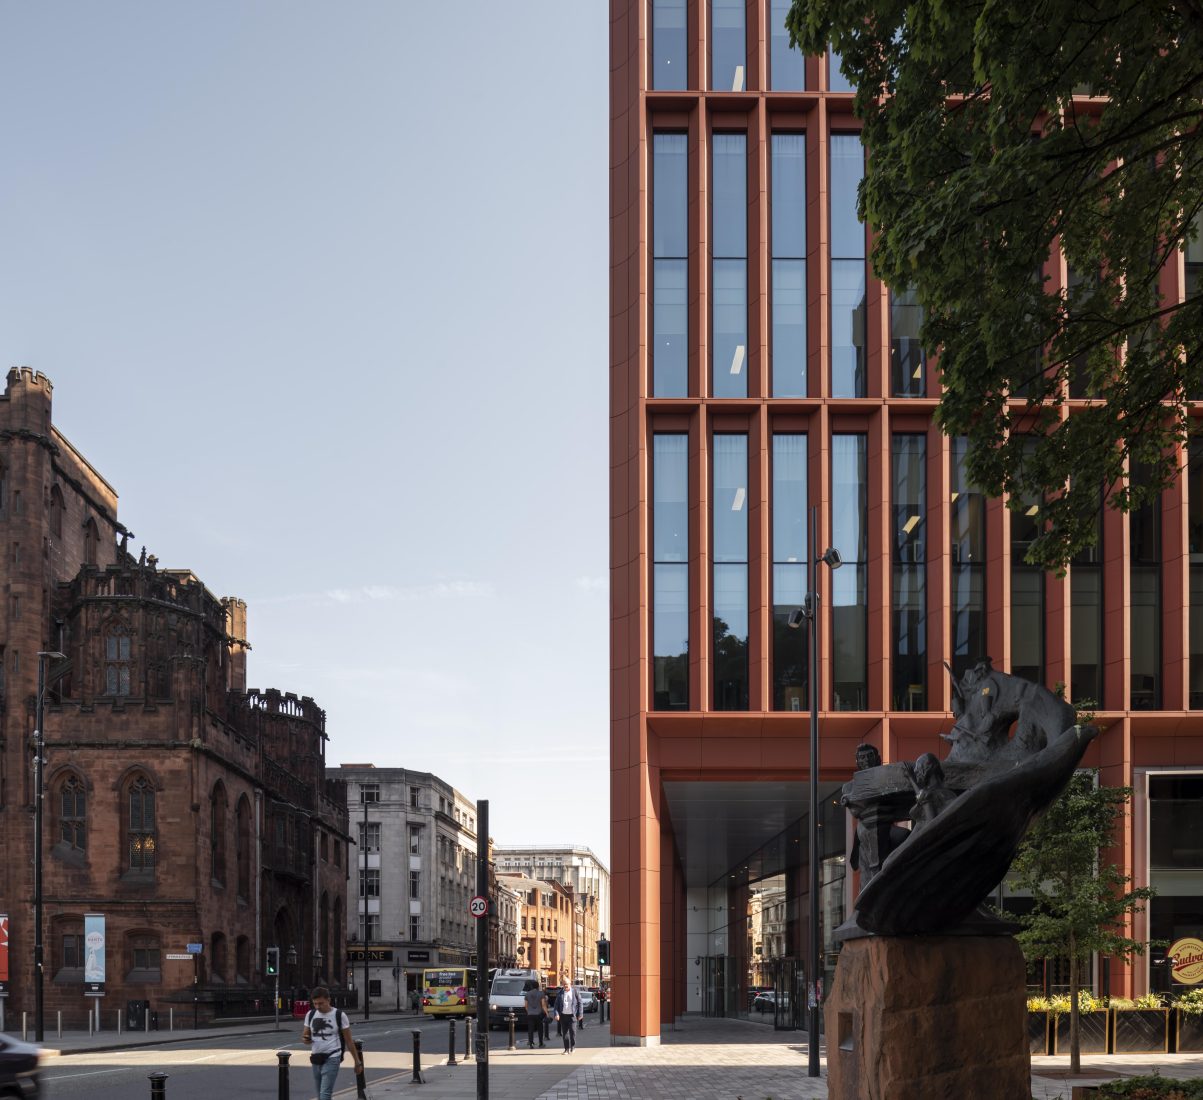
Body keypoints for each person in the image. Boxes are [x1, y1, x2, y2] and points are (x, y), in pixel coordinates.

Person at [301, 986, 363, 1100]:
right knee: (320, 1094)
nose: (318, 1007)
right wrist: (306, 1039)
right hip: (316, 1057)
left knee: (325, 1094)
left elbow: (349, 1041)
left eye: (321, 1003)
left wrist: (357, 1062)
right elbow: (305, 1036)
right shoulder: (310, 1014)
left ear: (328, 1000)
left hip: (332, 1056)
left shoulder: (339, 1015)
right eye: (315, 1004)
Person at [551, 978, 583, 1054]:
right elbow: (556, 1005)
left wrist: (580, 1014)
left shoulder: (575, 992)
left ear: (570, 984)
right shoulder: (560, 993)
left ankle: (573, 1047)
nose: (565, 986)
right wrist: (556, 1014)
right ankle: (566, 1049)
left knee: (573, 1033)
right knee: (565, 1033)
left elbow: (580, 1003)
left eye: (567, 984)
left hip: (572, 1016)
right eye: (564, 984)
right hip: (563, 1016)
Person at [522, 981, 548, 1048]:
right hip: (538, 1014)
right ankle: (541, 1043)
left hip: (530, 1014)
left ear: (531, 986)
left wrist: (529, 1012)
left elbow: (525, 1006)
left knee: (530, 1029)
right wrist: (547, 1013)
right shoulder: (541, 993)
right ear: (538, 986)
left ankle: (531, 1044)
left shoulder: (527, 994)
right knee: (540, 1029)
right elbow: (543, 1005)